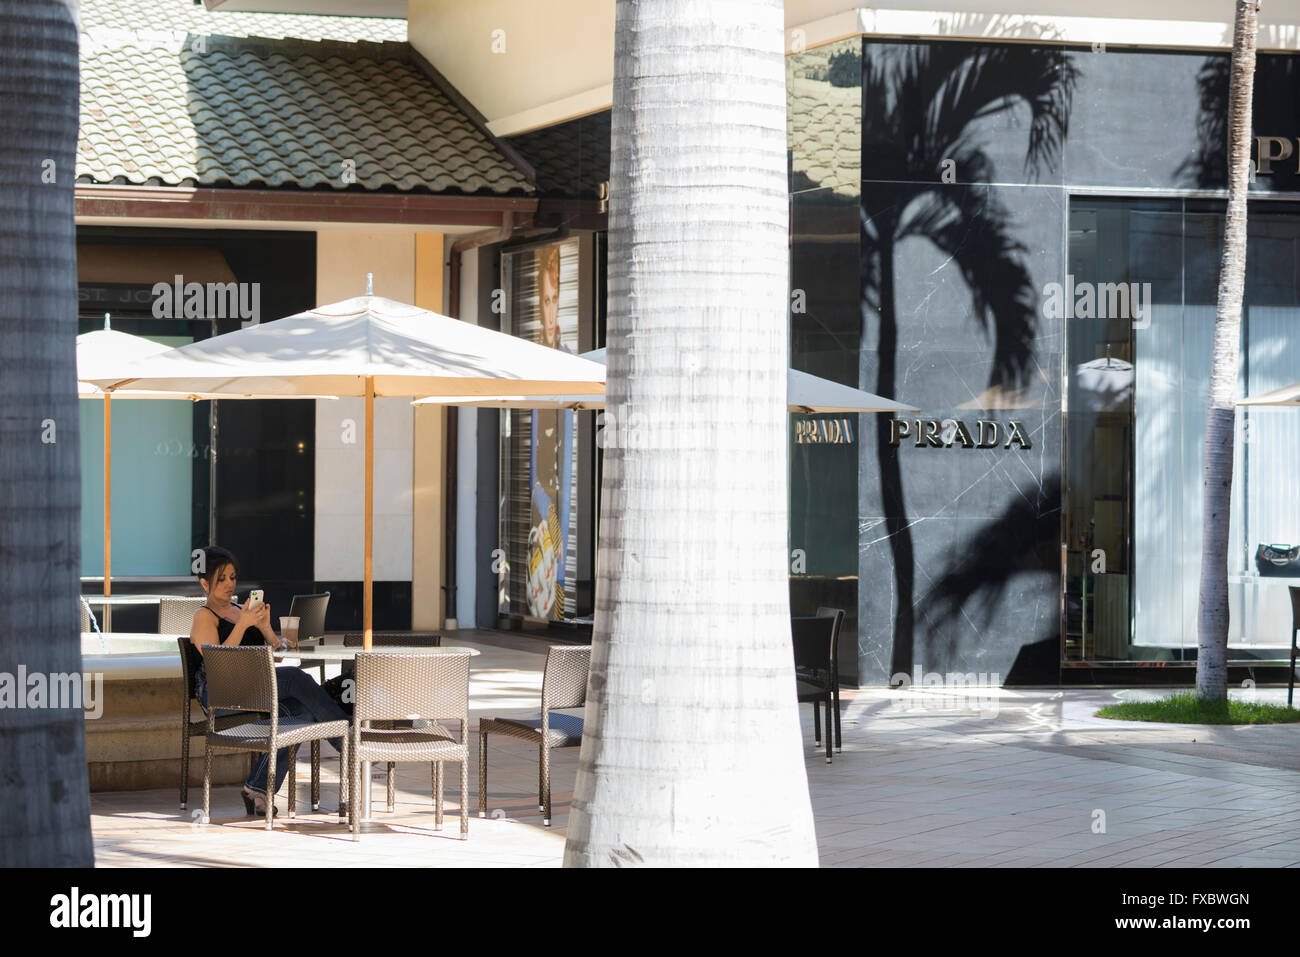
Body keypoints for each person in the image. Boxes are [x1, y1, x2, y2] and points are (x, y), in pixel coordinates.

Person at [188, 546, 347, 816]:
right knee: (298, 678)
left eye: (233, 577)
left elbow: (279, 656)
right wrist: (242, 625)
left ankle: (257, 788)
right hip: (222, 694)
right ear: (205, 583)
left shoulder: (242, 611)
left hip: (254, 689)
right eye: (222, 579)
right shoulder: (203, 617)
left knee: (305, 715)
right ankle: (348, 742)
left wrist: (264, 628)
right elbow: (220, 664)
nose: (230, 584)